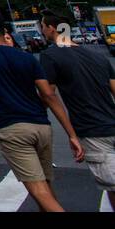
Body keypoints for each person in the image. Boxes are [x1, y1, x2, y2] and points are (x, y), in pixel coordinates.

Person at [0, 10, 84, 212]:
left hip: (12, 128)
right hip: (42, 126)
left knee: (38, 190)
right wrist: (72, 134)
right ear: (4, 30)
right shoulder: (27, 58)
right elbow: (49, 94)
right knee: (45, 186)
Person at [39, 12, 115, 212]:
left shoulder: (50, 56)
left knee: (112, 186)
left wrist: (71, 134)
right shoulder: (97, 56)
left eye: (43, 26)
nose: (42, 30)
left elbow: (49, 95)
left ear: (52, 28)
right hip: (111, 122)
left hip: (92, 130)